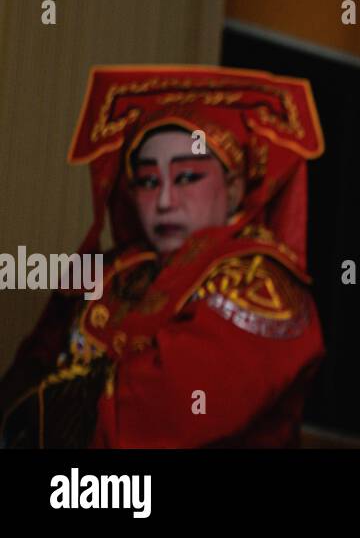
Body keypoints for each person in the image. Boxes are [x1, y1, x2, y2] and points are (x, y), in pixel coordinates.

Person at [0, 65, 326, 448]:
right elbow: (26, 375)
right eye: (149, 181)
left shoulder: (260, 283)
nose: (166, 201)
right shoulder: (109, 273)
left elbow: (161, 415)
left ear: (235, 187)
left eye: (188, 177)